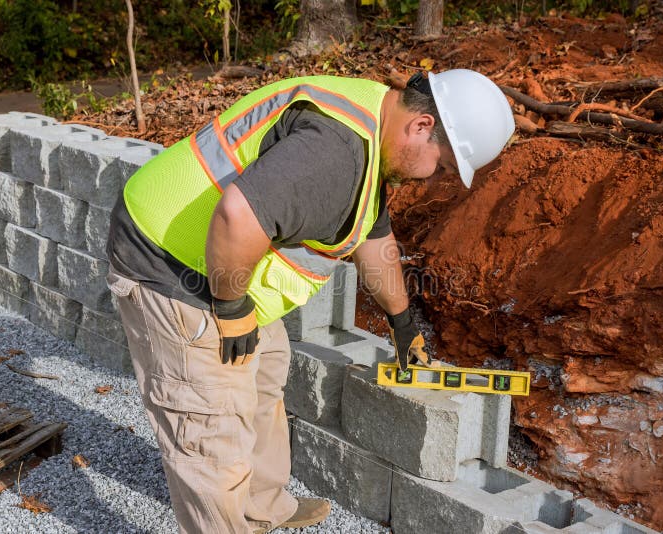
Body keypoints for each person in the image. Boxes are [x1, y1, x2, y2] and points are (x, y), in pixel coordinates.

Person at [105, 69, 514, 533]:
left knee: (265, 375)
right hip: (174, 266)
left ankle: (262, 508)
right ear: (421, 127)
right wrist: (232, 310)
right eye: (440, 166)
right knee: (210, 430)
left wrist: (403, 324)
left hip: (221, 268)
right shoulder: (335, 155)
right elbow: (237, 217)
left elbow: (374, 241)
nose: (432, 179)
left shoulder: (373, 126)